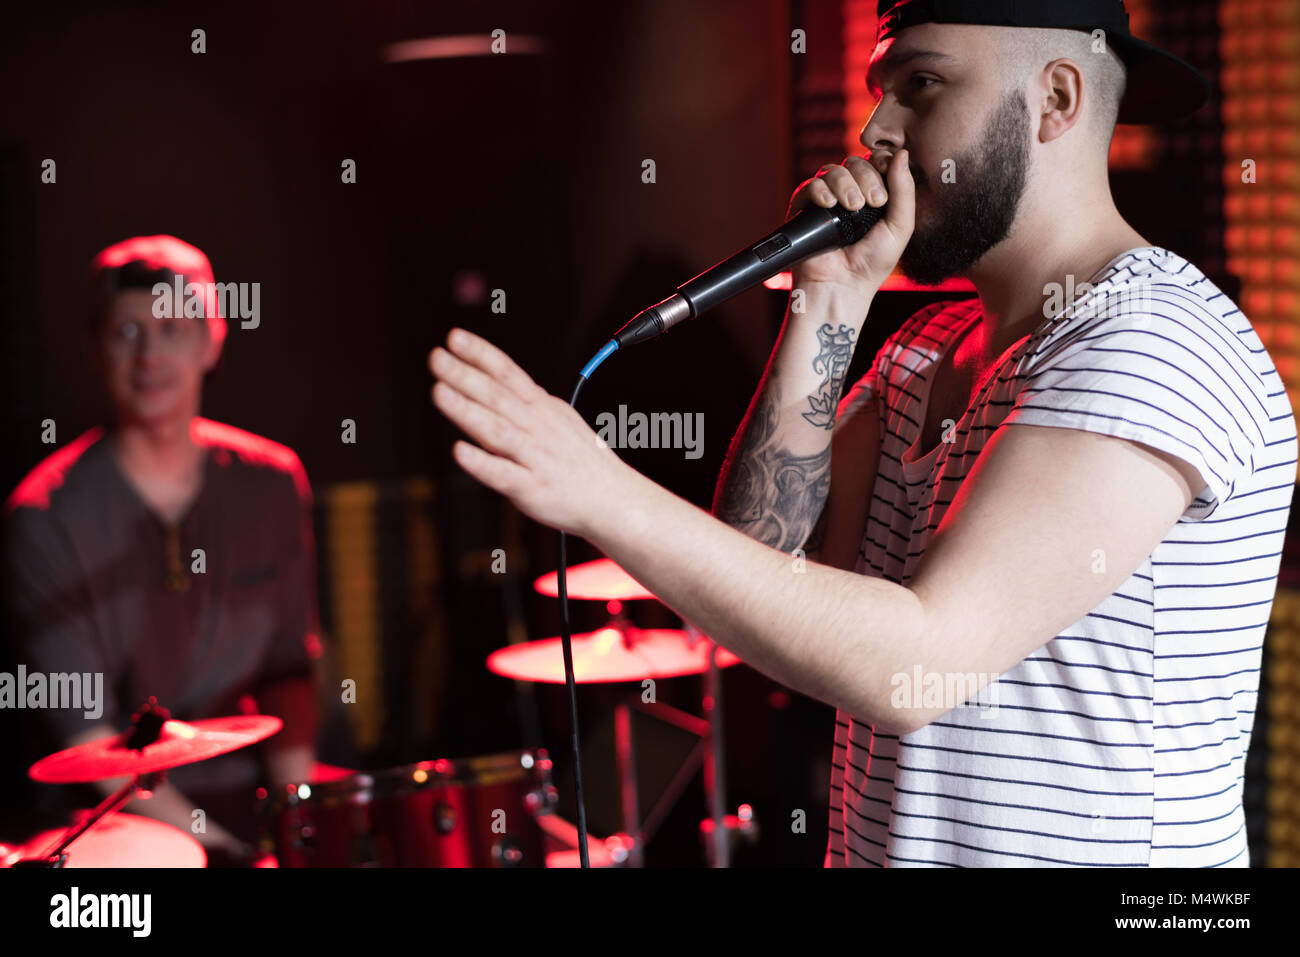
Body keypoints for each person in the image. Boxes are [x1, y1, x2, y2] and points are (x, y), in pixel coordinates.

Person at [427, 1, 1297, 866]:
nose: (876, 129)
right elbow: (762, 562)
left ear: (1057, 99)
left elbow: (920, 660)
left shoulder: (1152, 337)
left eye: (922, 84)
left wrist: (603, 491)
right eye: (882, 90)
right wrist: (829, 300)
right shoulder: (923, 351)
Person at [2, 235, 319, 866]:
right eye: (127, 332)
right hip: (117, 819)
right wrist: (226, 852)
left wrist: (295, 818)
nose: (150, 355)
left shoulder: (272, 480)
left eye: (173, 328)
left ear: (212, 340)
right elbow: (88, 739)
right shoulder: (42, 517)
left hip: (256, 799)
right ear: (95, 348)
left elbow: (289, 671)